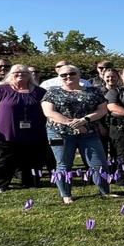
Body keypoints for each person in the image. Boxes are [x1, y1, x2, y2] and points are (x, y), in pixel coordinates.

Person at [43, 65, 116, 203]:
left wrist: (84, 120)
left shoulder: (93, 91)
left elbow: (102, 110)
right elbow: (49, 112)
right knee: (64, 164)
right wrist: (72, 124)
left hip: (89, 132)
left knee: (99, 163)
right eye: (64, 75)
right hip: (60, 133)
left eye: (71, 73)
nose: (68, 77)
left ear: (79, 74)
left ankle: (105, 191)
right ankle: (66, 195)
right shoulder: (52, 93)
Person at [0, 65, 48, 192]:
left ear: (30, 75)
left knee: (32, 158)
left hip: (34, 133)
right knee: (2, 159)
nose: (20, 74)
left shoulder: (40, 92)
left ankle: (31, 181)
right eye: (16, 72)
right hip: (4, 133)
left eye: (24, 72)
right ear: (9, 75)